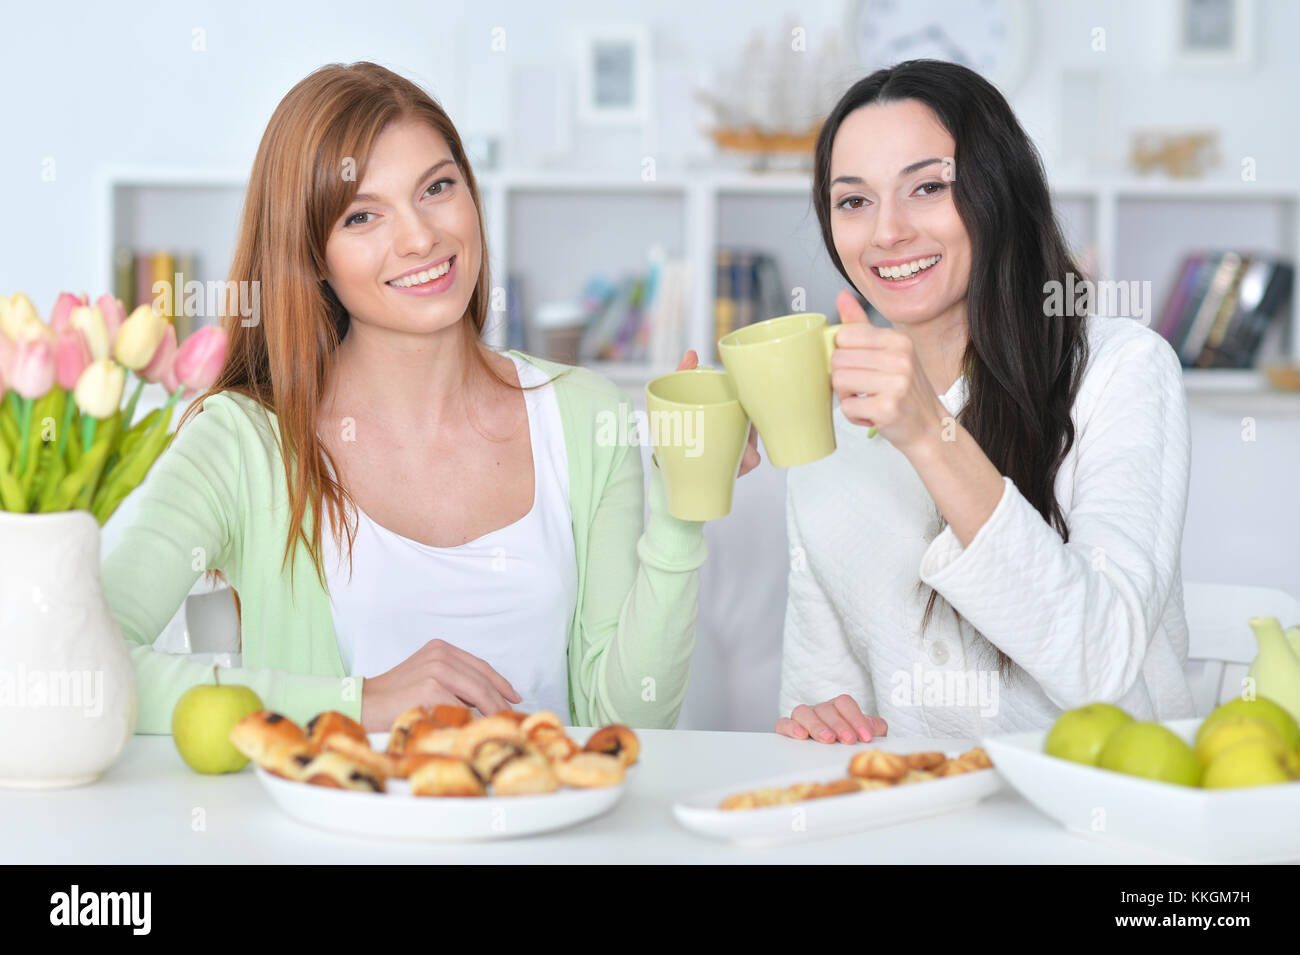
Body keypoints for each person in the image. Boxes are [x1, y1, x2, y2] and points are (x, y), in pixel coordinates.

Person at [102, 61, 758, 734]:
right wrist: (361, 702)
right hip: (330, 837)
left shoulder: (585, 414)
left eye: (437, 187)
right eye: (363, 216)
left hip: (547, 826)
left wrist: (683, 506)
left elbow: (631, 718)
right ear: (310, 255)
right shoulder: (241, 439)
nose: (420, 237)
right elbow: (92, 669)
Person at [775, 59, 1196, 743]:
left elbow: (1099, 662)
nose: (887, 232)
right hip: (922, 826)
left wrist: (927, 431)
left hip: (1104, 815)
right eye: (854, 200)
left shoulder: (1123, 368)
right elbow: (823, 698)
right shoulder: (831, 424)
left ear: (997, 192)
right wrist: (822, 721)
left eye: (929, 187)